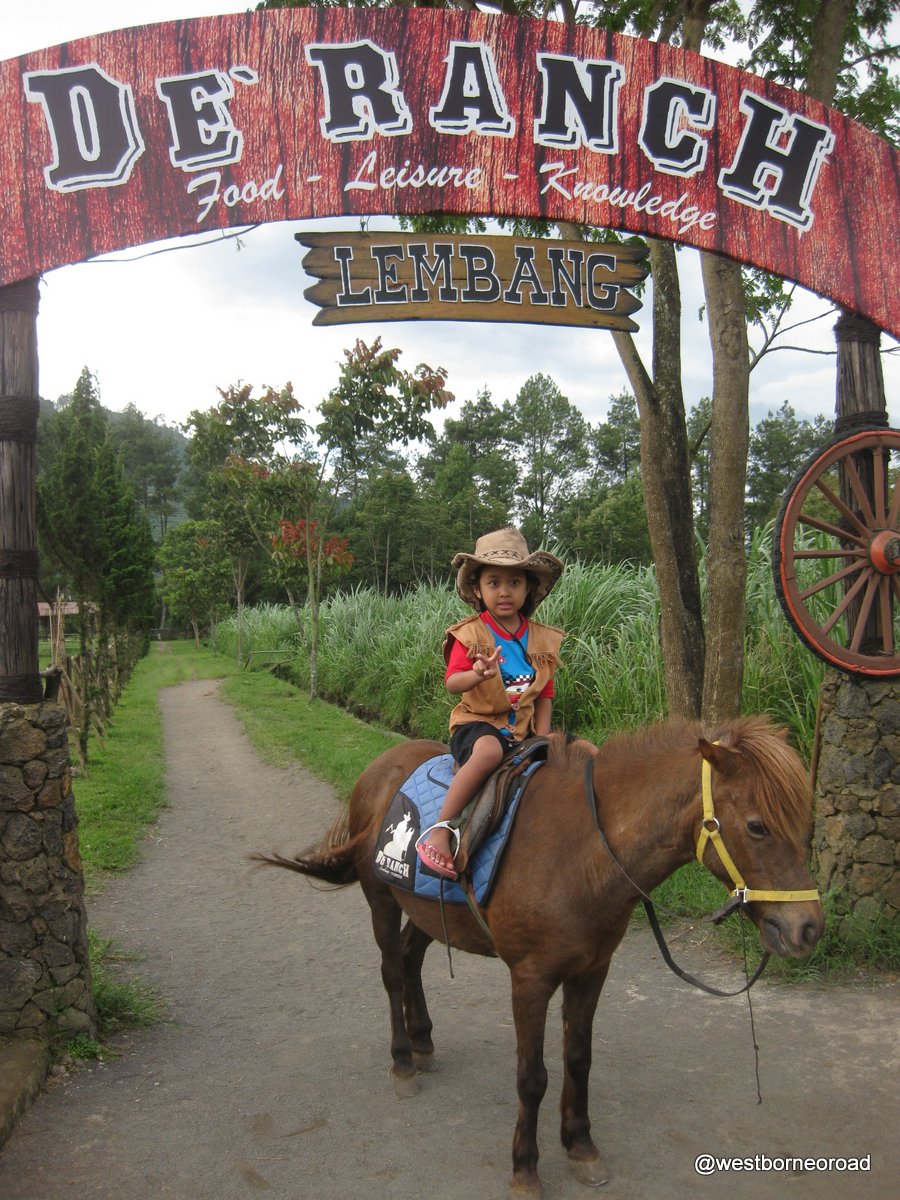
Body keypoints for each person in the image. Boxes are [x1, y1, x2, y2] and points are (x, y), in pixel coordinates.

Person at [416, 527, 566, 880]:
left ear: (528, 588)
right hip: (478, 723)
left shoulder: (541, 638)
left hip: (523, 730)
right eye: (494, 582)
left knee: (580, 752)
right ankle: (440, 830)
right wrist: (477, 674)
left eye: (514, 582)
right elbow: (452, 683)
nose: (504, 591)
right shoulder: (469, 634)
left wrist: (542, 739)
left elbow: (544, 693)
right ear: (477, 589)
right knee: (487, 753)